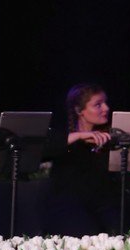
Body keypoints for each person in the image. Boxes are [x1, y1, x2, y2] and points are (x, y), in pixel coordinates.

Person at [43, 83, 116, 236]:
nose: (106, 108)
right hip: (69, 210)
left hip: (102, 207)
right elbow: (43, 151)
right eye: (98, 105)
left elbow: (125, 183)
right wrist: (79, 136)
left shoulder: (109, 140)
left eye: (105, 103)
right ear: (79, 110)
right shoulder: (64, 139)